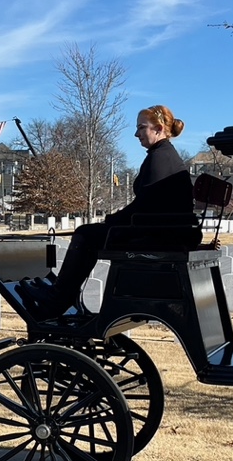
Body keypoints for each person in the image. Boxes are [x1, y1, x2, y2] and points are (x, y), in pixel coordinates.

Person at [17, 105, 198, 319]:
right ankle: (60, 294)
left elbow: (144, 206)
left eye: (142, 127)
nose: (136, 134)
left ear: (158, 129)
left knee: (85, 233)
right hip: (161, 229)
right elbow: (148, 204)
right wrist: (114, 221)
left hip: (156, 233)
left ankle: (57, 298)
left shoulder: (159, 158)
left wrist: (113, 221)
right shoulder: (165, 156)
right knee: (91, 232)